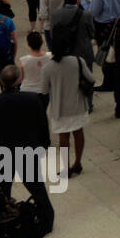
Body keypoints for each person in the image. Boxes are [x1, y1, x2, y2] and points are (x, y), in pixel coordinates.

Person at [0, 64, 55, 235]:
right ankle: (48, 219)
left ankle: (4, 223)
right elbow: (43, 125)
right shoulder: (33, 100)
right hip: (28, 152)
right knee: (37, 187)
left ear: (0, 81)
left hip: (2, 154)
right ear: (20, 80)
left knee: (3, 191)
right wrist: (43, 145)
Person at [40, 41, 91, 178]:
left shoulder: (48, 67)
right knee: (78, 132)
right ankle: (78, 162)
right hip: (78, 104)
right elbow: (91, 78)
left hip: (59, 108)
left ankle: (66, 168)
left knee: (64, 138)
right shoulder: (78, 61)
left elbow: (44, 90)